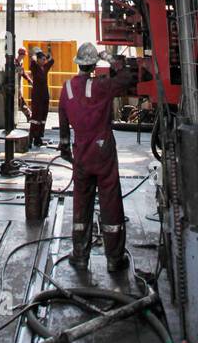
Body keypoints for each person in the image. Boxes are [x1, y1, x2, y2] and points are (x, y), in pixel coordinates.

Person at [58, 42, 138, 273]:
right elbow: (126, 78)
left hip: (81, 152)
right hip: (102, 151)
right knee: (110, 199)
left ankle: (80, 255)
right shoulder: (101, 86)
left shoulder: (67, 88)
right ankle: (114, 258)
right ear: (93, 64)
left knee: (81, 202)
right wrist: (110, 58)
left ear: (78, 63)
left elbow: (63, 122)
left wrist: (66, 149)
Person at [28, 46, 55, 147]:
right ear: (38, 60)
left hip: (44, 96)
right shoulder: (35, 67)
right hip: (37, 97)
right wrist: (36, 54)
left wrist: (47, 55)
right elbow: (32, 60)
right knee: (36, 118)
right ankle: (31, 138)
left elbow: (52, 60)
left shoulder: (45, 68)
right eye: (42, 59)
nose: (44, 61)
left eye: (45, 59)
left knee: (43, 117)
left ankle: (38, 138)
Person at [16, 47, 32, 123]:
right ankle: (29, 115)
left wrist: (29, 80)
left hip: (17, 86)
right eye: (24, 55)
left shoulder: (20, 63)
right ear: (21, 55)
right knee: (20, 102)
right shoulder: (14, 63)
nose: (25, 57)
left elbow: (23, 73)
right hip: (14, 85)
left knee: (20, 101)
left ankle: (29, 115)